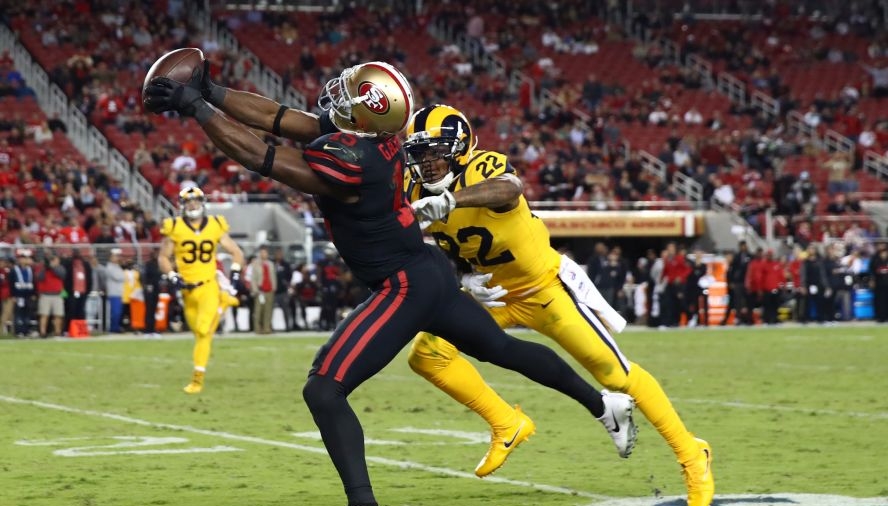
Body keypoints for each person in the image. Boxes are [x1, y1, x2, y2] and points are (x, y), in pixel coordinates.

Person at [144, 59, 636, 506]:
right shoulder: (372, 140)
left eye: (352, 94)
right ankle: (604, 405)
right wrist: (214, 90)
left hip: (403, 285)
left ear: (368, 115)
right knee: (501, 348)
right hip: (427, 271)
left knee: (324, 391)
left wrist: (196, 107)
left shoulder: (357, 162)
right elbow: (278, 118)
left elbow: (263, 156)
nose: (339, 96)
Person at [403, 104, 713, 505]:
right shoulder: (415, 192)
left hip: (545, 289)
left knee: (616, 374)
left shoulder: (482, 169)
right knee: (427, 355)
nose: (426, 162)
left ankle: (693, 453)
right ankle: (506, 422)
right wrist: (462, 276)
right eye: (419, 153)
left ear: (460, 148)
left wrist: (451, 201)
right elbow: (452, 246)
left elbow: (508, 189)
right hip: (493, 295)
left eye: (434, 151)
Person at [157, 186, 246, 393]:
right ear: (182, 206)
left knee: (205, 330)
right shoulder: (174, 226)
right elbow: (163, 257)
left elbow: (236, 252)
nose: (192, 205)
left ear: (202, 203)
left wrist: (234, 274)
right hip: (187, 291)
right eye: (188, 202)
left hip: (208, 286)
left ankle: (197, 380)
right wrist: (172, 276)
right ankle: (225, 303)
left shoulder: (215, 224)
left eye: (195, 201)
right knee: (198, 333)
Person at [249, 245, 276, 334]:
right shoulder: (256, 264)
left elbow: (273, 277)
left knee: (268, 310)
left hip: (269, 289)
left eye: (265, 253)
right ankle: (257, 328)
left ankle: (267, 327)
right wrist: (255, 289)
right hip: (260, 290)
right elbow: (253, 278)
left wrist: (274, 287)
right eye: (262, 253)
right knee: (258, 310)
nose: (264, 254)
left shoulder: (271, 264)